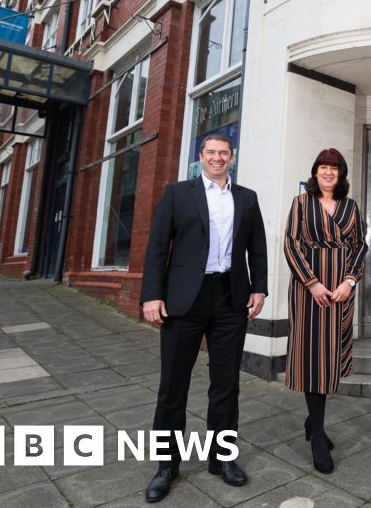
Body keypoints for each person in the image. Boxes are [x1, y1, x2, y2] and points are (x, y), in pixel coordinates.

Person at [140, 134, 268, 503]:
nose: (217, 158)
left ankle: (221, 458)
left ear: (232, 158)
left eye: (223, 153)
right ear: (201, 157)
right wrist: (152, 294)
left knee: (226, 383)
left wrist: (258, 287)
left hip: (230, 300)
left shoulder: (246, 198)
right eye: (210, 153)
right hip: (184, 300)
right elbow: (156, 245)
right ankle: (167, 465)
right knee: (173, 386)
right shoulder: (179, 193)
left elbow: (256, 247)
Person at [283, 148, 367, 474]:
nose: (328, 172)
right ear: (315, 172)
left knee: (329, 359)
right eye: (323, 167)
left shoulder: (350, 207)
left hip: (340, 293)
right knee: (310, 359)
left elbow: (361, 244)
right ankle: (318, 434)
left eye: (334, 168)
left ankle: (311, 419)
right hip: (310, 293)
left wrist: (349, 281)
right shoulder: (301, 203)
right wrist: (313, 284)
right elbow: (291, 243)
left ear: (341, 174)